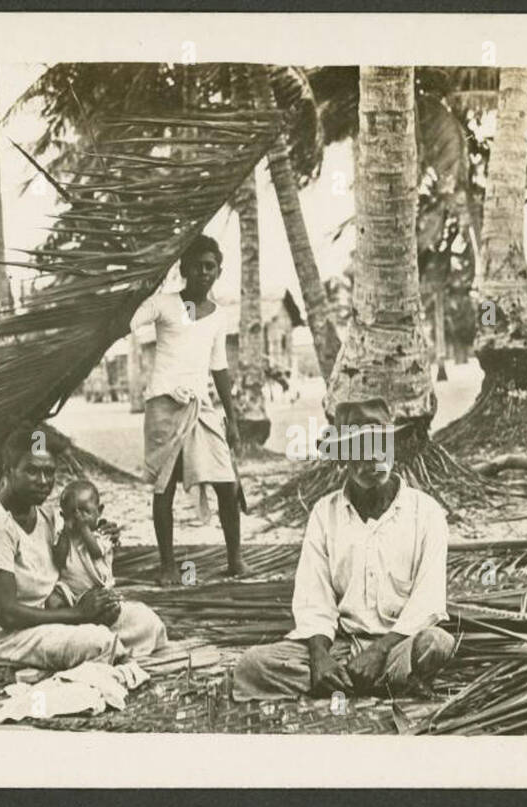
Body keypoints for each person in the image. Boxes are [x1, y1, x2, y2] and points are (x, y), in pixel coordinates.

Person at [232, 398, 457, 701]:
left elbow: (427, 603)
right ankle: (368, 682)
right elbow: (314, 597)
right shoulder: (325, 513)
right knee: (253, 664)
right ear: (342, 459)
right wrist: (319, 657)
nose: (370, 462)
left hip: (399, 644)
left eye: (378, 447)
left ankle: (351, 684)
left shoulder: (426, 513)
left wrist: (379, 651)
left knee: (436, 643)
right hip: (341, 645)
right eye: (357, 451)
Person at [0, 424, 167, 672]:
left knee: (147, 623)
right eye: (32, 471)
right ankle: (100, 650)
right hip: (10, 635)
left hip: (56, 615)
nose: (43, 481)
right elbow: (8, 615)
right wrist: (80, 614)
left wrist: (101, 529)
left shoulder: (44, 513)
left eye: (49, 472)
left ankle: (100, 648)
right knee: (98, 642)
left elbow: (78, 535)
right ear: (8, 471)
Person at [127, 235, 244, 584]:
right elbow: (130, 322)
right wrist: (141, 285)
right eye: (197, 265)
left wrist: (232, 419)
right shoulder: (162, 304)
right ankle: (167, 565)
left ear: (218, 272)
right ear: (184, 269)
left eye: (211, 266)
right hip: (164, 405)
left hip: (202, 407)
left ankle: (235, 560)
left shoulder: (219, 316)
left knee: (228, 483)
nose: (204, 272)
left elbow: (219, 367)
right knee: (165, 486)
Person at [46, 479, 119, 609]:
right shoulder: (64, 536)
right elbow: (59, 560)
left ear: (99, 510)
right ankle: (69, 618)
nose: (79, 517)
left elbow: (96, 552)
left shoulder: (104, 533)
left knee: (111, 610)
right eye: (71, 513)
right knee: (52, 602)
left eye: (86, 511)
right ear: (63, 515)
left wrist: (84, 528)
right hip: (69, 590)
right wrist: (65, 532)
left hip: (98, 590)